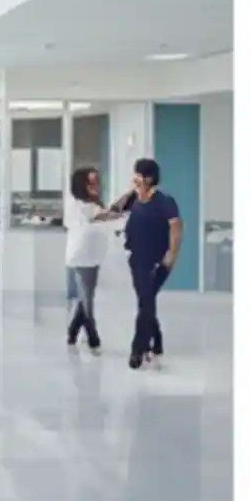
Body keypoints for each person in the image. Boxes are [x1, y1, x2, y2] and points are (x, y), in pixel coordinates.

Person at [117, 158, 182, 371]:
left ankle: (138, 349)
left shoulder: (164, 201)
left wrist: (171, 255)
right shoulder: (133, 199)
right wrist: (129, 193)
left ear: (149, 178)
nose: (134, 178)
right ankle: (157, 341)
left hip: (157, 262)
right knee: (146, 301)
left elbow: (175, 228)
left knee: (145, 301)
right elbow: (113, 210)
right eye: (134, 173)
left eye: (138, 174)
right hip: (136, 259)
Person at [65, 167, 116, 355]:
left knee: (84, 298)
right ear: (82, 185)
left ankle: (72, 333)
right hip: (81, 257)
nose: (96, 186)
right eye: (91, 183)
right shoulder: (79, 206)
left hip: (92, 257)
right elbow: (105, 215)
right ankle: (94, 340)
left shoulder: (93, 203)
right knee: (87, 301)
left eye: (97, 182)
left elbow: (106, 215)